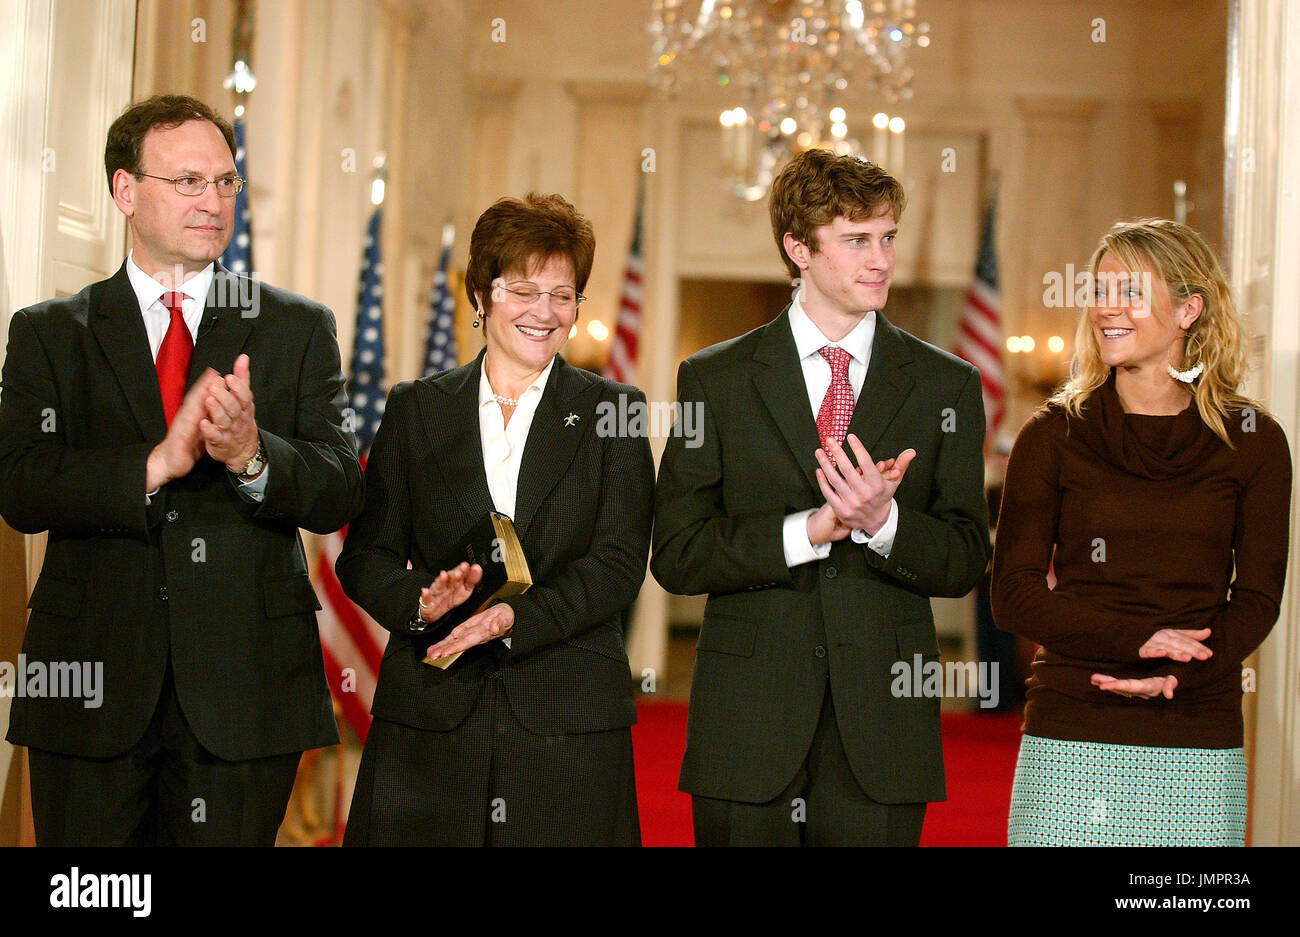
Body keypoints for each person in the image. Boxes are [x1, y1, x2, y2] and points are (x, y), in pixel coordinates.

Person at [0, 94, 364, 845]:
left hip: (243, 691)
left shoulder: (296, 327)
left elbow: (338, 486)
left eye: (226, 182)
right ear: (125, 192)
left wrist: (253, 456)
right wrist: (153, 464)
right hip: (90, 686)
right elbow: (21, 484)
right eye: (189, 182)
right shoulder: (47, 334)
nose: (214, 202)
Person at [651, 150, 990, 846]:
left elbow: (964, 558)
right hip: (745, 730)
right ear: (797, 248)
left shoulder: (945, 385)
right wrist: (806, 530)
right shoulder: (713, 379)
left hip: (884, 735)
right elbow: (679, 554)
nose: (882, 259)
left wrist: (883, 522)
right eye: (857, 239)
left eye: (888, 236)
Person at [336, 193, 654, 846]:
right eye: (524, 290)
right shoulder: (415, 409)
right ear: (480, 294)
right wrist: (422, 601)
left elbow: (620, 561)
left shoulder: (612, 411)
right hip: (430, 722)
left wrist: (517, 617)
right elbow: (365, 556)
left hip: (567, 725)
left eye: (563, 295)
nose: (545, 312)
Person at [992, 218, 1291, 846]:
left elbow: (1258, 600)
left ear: (1189, 309)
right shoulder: (1052, 434)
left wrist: (1177, 675)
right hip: (1071, 728)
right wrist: (1142, 642)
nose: (1107, 309)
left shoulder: (1255, 442)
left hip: (1196, 730)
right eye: (1100, 291)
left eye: (1129, 292)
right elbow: (1013, 594)